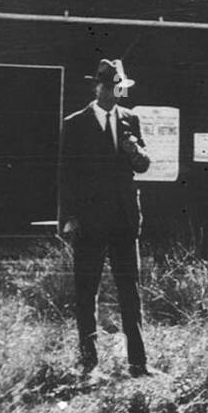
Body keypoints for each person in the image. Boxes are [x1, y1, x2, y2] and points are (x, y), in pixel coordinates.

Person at [60, 59, 154, 378]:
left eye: (119, 88)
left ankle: (138, 364)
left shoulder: (131, 119)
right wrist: (70, 216)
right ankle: (89, 363)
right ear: (96, 87)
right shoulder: (75, 123)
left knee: (130, 290)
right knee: (87, 292)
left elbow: (143, 166)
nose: (115, 94)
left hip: (124, 221)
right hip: (89, 221)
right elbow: (66, 175)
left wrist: (134, 151)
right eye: (110, 87)